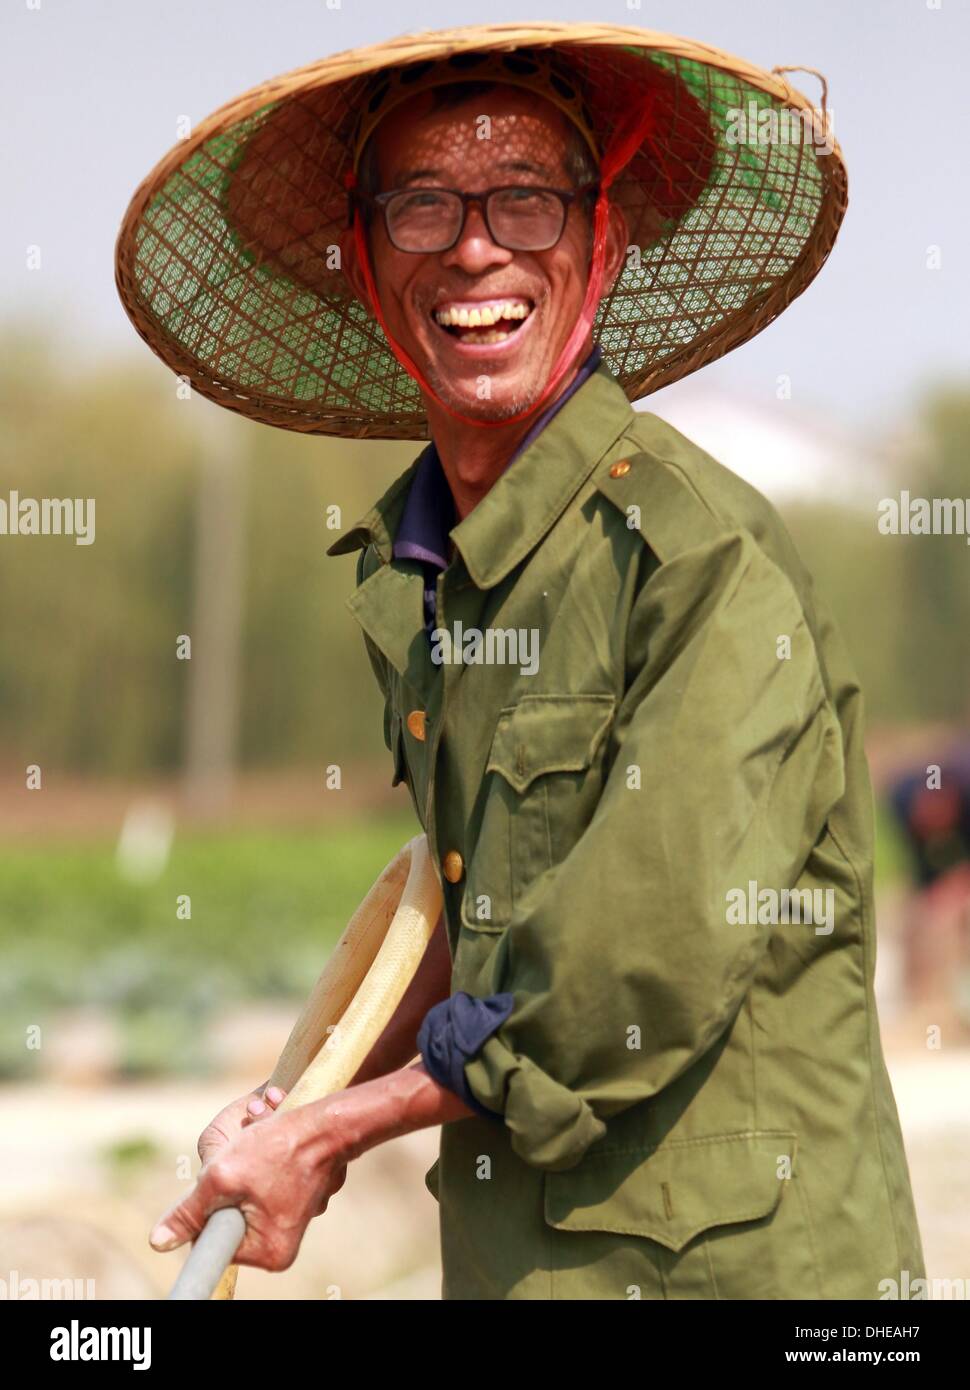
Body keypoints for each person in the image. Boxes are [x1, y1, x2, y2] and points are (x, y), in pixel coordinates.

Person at [118, 24, 925, 1299]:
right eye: (423, 206)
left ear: (599, 245)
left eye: (526, 201)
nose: (475, 247)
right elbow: (480, 922)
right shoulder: (427, 567)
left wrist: (331, 1131)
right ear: (372, 268)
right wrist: (293, 1102)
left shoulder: (696, 559)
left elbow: (620, 976)